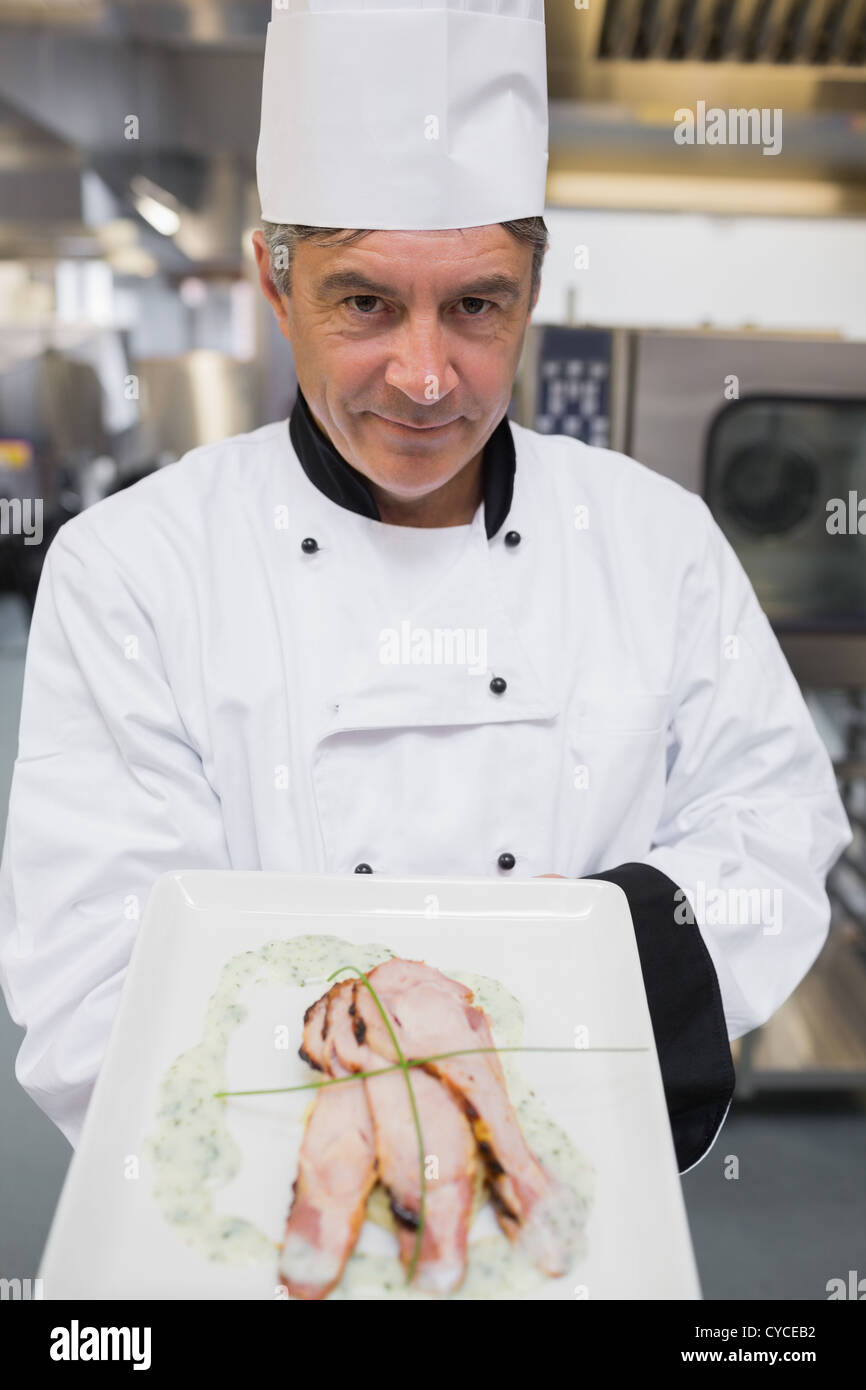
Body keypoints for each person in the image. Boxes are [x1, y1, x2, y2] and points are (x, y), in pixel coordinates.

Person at [0, 0, 852, 1174]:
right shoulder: (133, 571)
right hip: (260, 1215)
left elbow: (773, 826)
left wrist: (596, 945)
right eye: (363, 301)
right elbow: (90, 970)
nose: (423, 375)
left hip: (564, 1193)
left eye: (474, 305)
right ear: (272, 275)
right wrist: (376, 1131)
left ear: (532, 288)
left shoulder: (657, 545)